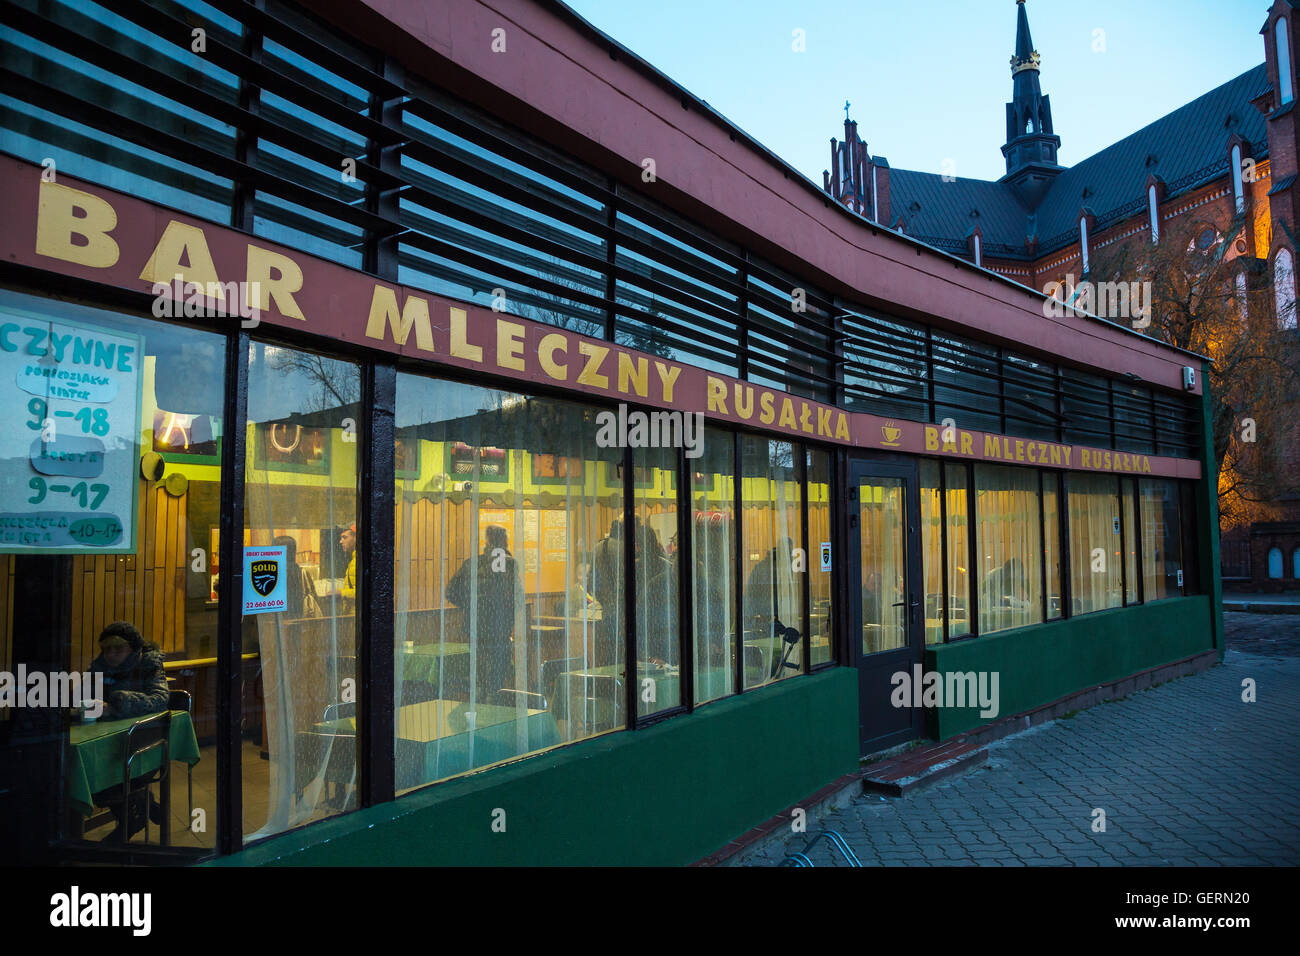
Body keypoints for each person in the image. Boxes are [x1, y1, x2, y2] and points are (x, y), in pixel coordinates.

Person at [87, 622, 170, 840]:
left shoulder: (149, 665)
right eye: (106, 649)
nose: (111, 655)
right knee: (92, 771)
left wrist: (118, 703)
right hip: (107, 743)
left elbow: (160, 700)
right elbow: (81, 695)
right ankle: (145, 805)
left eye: (118, 649)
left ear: (133, 649)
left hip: (144, 745)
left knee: (107, 777)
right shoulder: (98, 668)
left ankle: (133, 819)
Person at [445, 525, 523, 699]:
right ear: (504, 542)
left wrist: (471, 606)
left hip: (476, 628)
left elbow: (450, 592)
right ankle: (494, 705)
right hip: (500, 629)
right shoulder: (509, 564)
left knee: (478, 672)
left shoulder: (472, 563)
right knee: (497, 676)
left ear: (486, 542)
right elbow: (518, 598)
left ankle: (479, 704)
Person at [274, 534, 322, 618]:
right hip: (300, 618)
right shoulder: (302, 572)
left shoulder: (273, 573)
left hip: (278, 619)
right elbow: (313, 596)